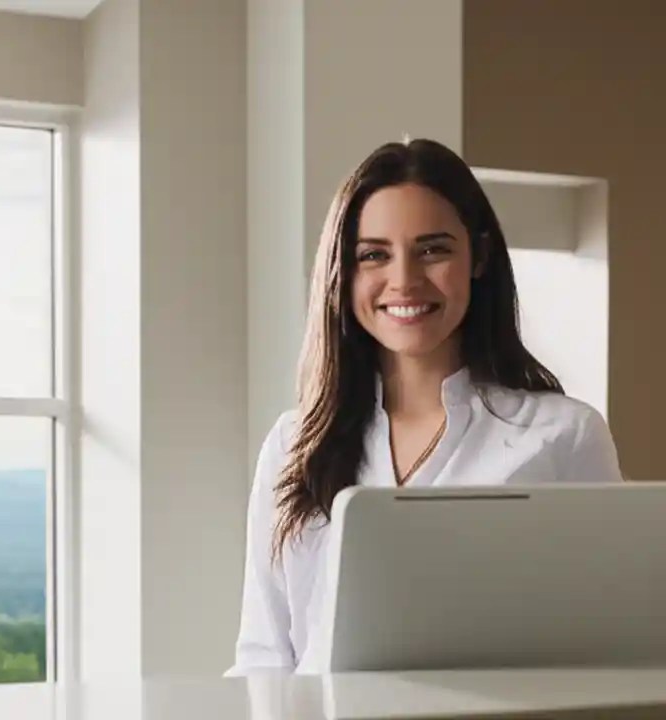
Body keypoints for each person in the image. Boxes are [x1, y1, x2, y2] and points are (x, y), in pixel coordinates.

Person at [226, 138, 623, 675]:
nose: (404, 280)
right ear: (343, 273)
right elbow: (263, 660)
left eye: (433, 249)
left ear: (478, 257)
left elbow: (607, 652)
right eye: (374, 255)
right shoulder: (294, 445)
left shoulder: (563, 438)